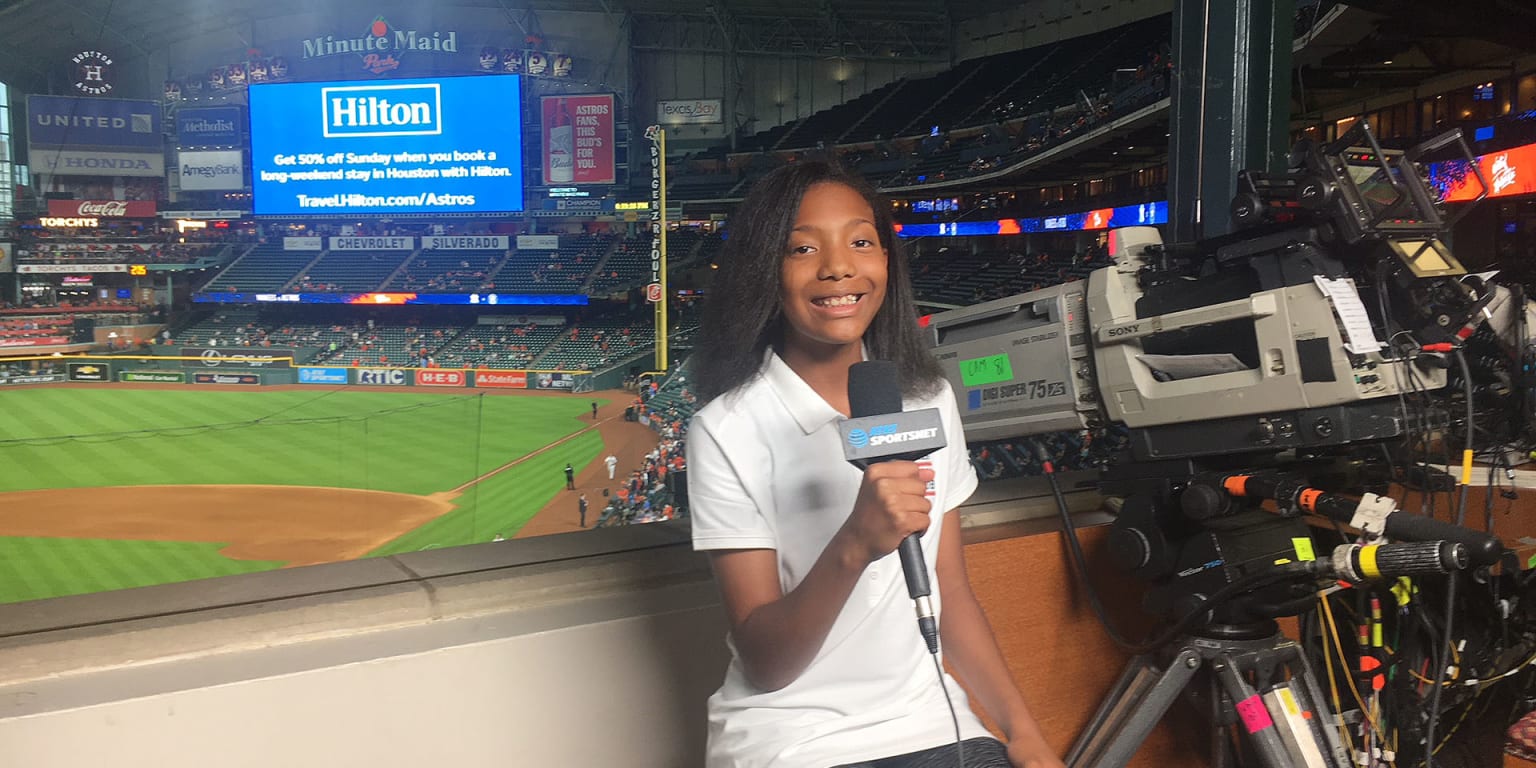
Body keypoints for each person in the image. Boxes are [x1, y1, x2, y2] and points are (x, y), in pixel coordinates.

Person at [687, 161, 1061, 768]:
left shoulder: (929, 396)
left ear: (887, 260)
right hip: (795, 741)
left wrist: (1023, 731)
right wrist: (856, 543)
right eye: (802, 248)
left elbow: (951, 591)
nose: (838, 266)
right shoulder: (727, 429)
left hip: (934, 724)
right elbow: (766, 663)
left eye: (861, 241)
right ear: (767, 273)